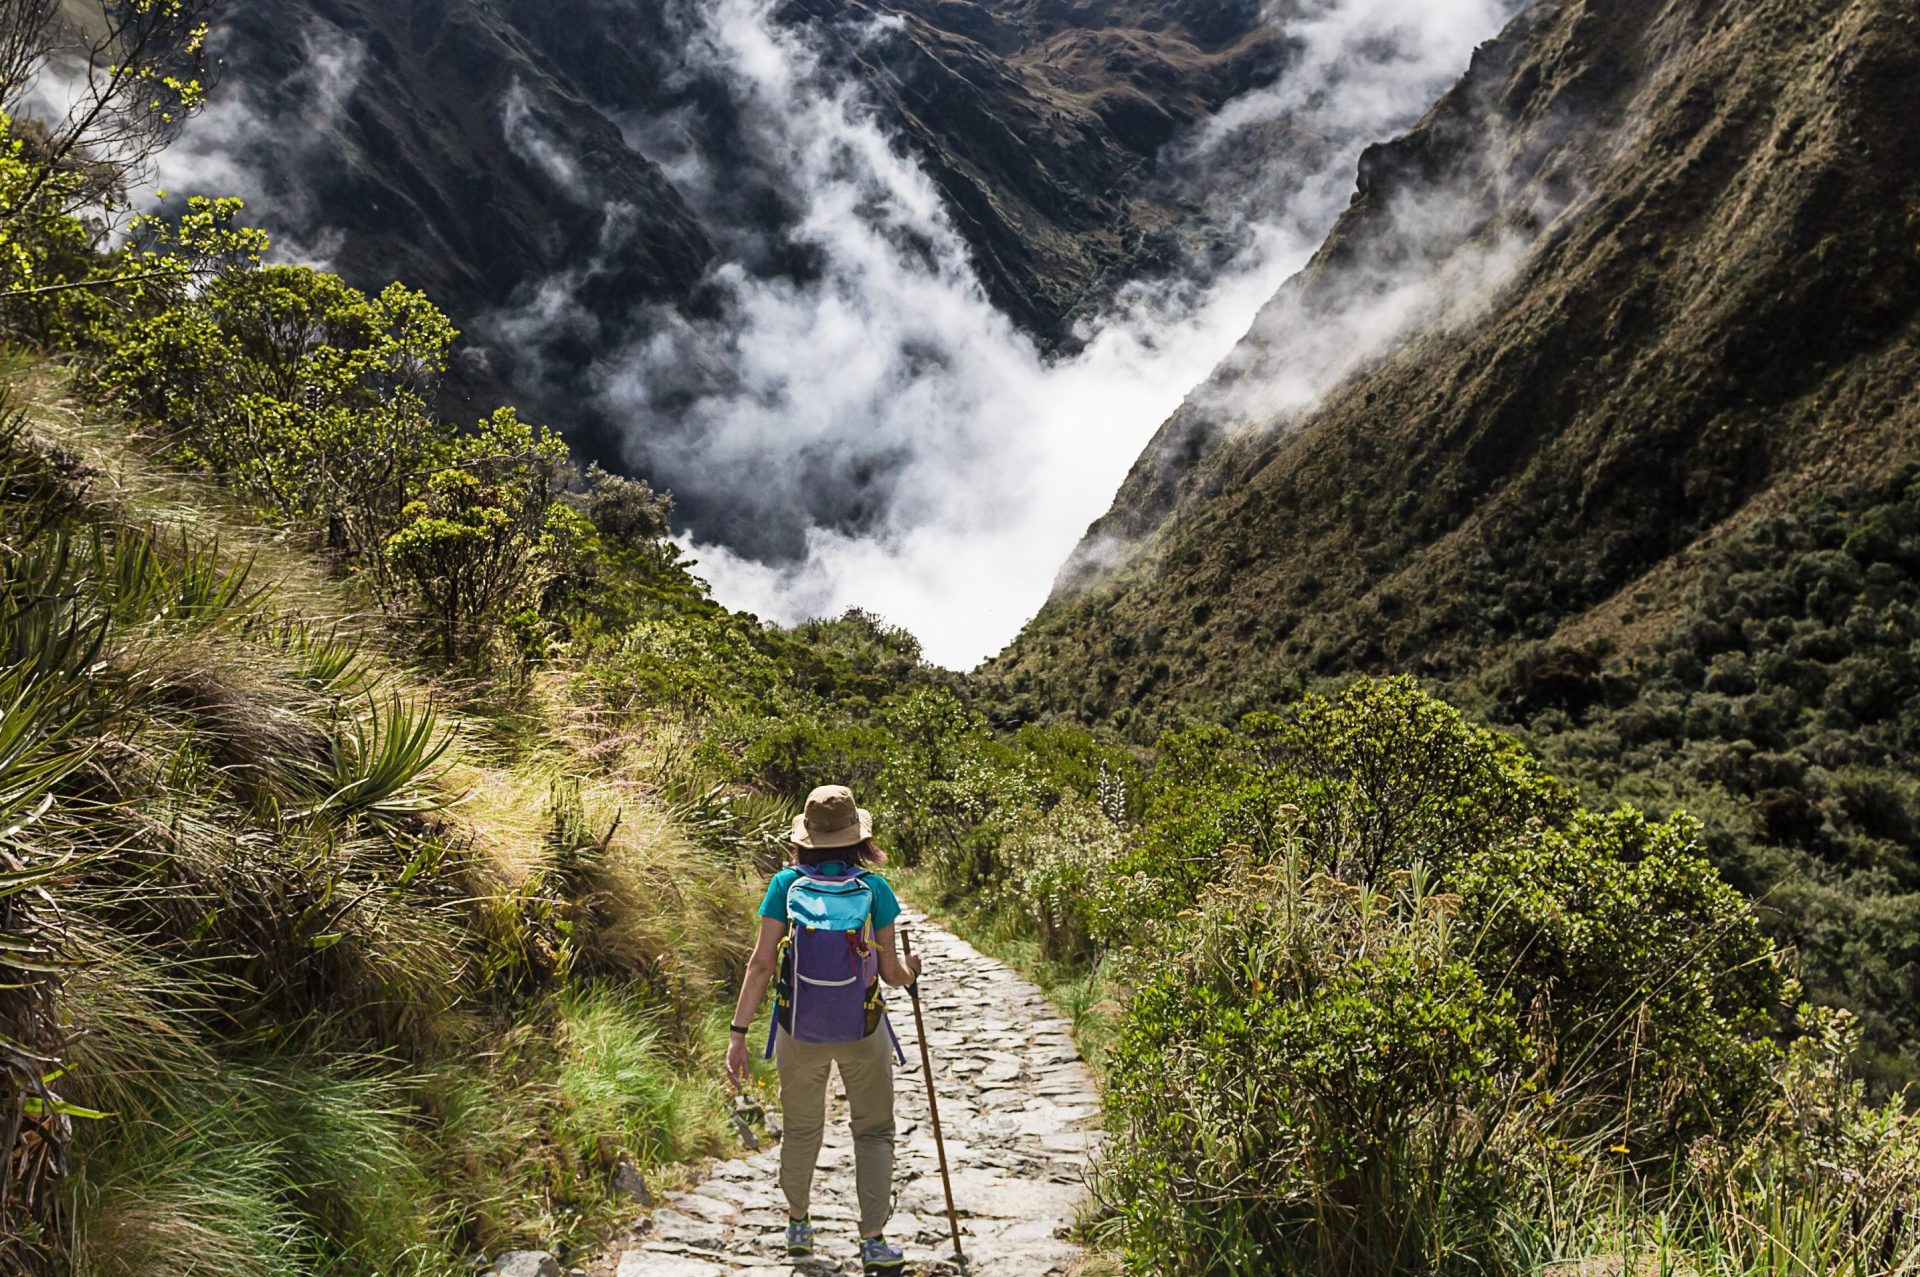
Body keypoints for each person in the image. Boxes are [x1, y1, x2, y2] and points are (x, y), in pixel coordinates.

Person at [727, 784, 923, 1276]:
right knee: (874, 1132)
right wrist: (913, 970)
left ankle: (798, 1225)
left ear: (807, 836)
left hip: (800, 1029)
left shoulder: (784, 884)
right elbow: (891, 975)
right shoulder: (875, 889)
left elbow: (760, 964)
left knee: (801, 1129)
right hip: (863, 1029)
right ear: (858, 837)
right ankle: (874, 1242)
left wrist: (738, 1032)